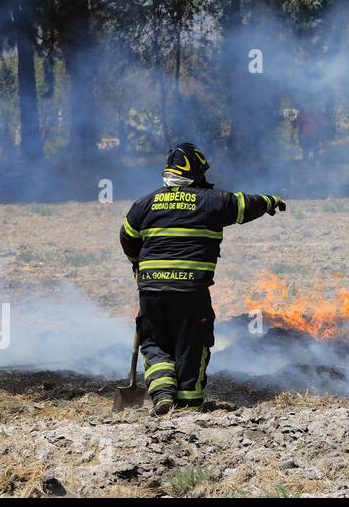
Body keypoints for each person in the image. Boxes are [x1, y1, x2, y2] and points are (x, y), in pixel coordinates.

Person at [119, 142, 286, 415]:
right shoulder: (210, 201)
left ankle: (162, 395)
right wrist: (271, 201)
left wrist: (138, 265)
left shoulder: (144, 204)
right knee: (191, 345)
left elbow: (127, 237)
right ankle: (188, 405)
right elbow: (244, 204)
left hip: (151, 290)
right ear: (196, 173)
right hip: (189, 291)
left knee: (155, 342)